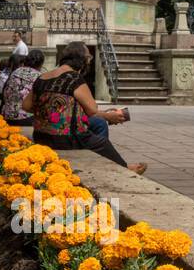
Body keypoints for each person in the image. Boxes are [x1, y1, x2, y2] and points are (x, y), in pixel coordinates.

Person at [22, 41, 146, 173]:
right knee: (101, 143)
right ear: (81, 60)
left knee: (97, 125)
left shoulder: (42, 77)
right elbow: (92, 110)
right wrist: (109, 116)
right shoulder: (74, 79)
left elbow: (26, 105)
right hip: (66, 139)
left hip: (41, 136)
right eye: (88, 58)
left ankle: (102, 165)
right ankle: (124, 169)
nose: (89, 61)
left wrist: (50, 112)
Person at [2, 48, 44, 125]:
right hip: (26, 118)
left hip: (8, 116)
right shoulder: (39, 76)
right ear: (41, 64)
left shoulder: (16, 72)